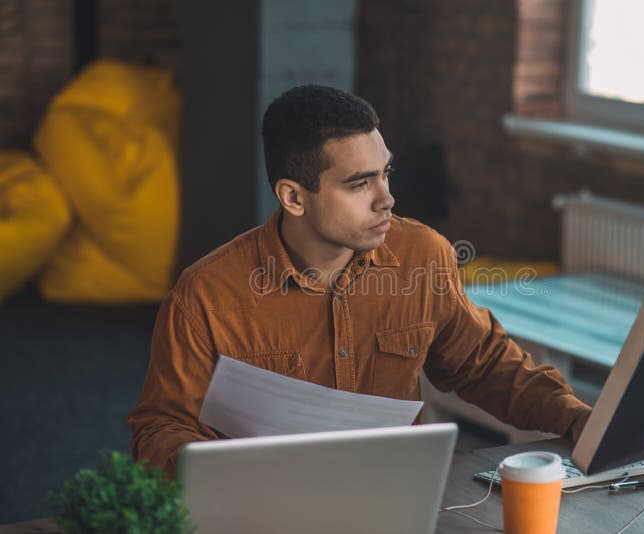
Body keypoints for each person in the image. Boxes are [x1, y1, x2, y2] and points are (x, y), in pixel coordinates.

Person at [127, 85, 591, 478]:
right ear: (293, 196)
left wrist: (578, 420)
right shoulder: (205, 296)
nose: (387, 198)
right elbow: (162, 429)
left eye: (386, 173)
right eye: (359, 184)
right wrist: (229, 474)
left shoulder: (422, 256)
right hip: (267, 510)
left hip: (399, 498)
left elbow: (483, 365)